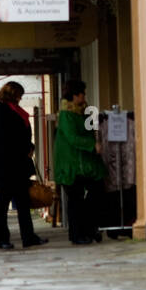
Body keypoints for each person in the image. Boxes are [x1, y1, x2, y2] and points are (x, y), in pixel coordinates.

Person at [0, 81, 49, 251]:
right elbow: (4, 140)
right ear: (13, 94)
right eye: (19, 94)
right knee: (2, 204)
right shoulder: (1, 112)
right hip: (5, 166)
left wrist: (29, 147)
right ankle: (1, 239)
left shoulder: (14, 111)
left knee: (23, 202)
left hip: (18, 164)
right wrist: (24, 148)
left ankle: (28, 237)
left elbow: (20, 136)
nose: (21, 98)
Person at [54, 79, 107, 245]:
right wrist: (93, 145)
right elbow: (72, 138)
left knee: (96, 191)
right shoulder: (66, 115)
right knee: (75, 200)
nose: (85, 96)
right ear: (75, 96)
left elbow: (89, 131)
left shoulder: (83, 112)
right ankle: (77, 234)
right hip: (71, 165)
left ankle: (89, 229)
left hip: (85, 165)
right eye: (82, 93)